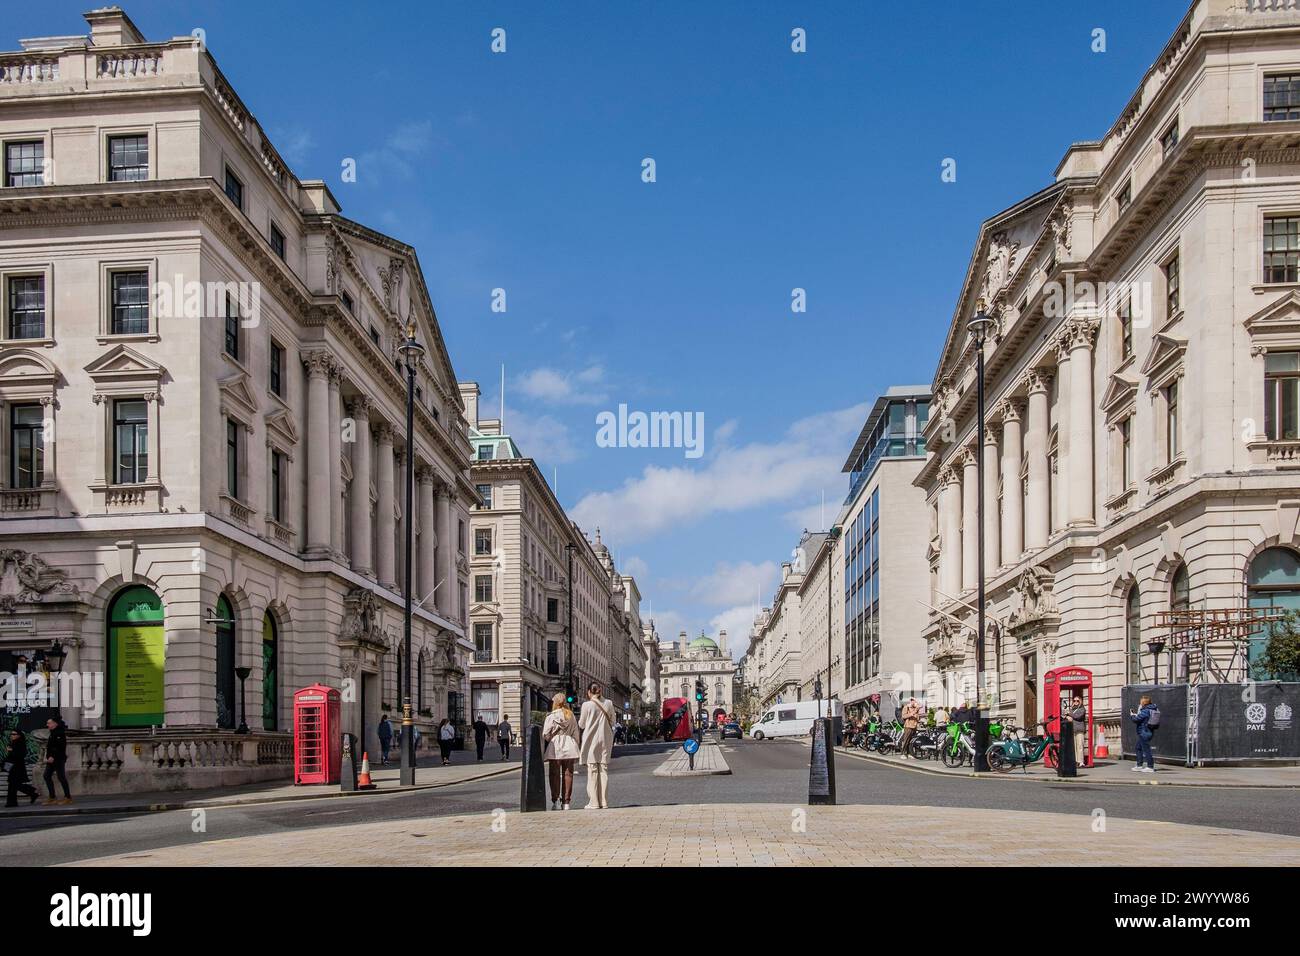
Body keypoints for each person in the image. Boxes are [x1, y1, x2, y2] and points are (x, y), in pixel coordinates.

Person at [578, 682, 615, 809]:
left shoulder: (586, 705)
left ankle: (594, 802)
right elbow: (613, 721)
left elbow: (581, 725)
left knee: (592, 770)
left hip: (591, 740)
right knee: (603, 769)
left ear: (589, 692)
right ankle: (604, 802)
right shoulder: (609, 703)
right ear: (600, 691)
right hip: (605, 738)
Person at [543, 693, 581, 810]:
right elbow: (576, 733)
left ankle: (555, 801)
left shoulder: (551, 716)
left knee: (554, 775)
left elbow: (545, 734)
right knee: (568, 774)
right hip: (569, 745)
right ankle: (566, 802)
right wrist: (576, 744)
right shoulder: (571, 716)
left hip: (556, 747)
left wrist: (551, 738)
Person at [4, 729, 39, 808]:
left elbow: (20, 755)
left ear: (18, 735)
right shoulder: (13, 743)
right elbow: (10, 757)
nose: (12, 735)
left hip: (17, 767)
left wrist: (11, 750)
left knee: (14, 785)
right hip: (13, 767)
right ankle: (32, 793)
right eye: (11, 734)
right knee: (14, 785)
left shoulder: (20, 743)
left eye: (14, 734)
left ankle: (12, 802)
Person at [43, 716, 71, 806]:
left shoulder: (59, 733)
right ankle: (52, 797)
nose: (47, 725)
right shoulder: (53, 733)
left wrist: (52, 756)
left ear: (55, 723)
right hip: (51, 759)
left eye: (49, 723)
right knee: (46, 775)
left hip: (58, 759)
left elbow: (59, 747)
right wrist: (48, 756)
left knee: (61, 777)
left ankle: (68, 797)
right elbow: (50, 747)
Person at [1130, 695, 1157, 773]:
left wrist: (1132, 715)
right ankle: (1139, 765)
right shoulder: (1152, 709)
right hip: (1148, 731)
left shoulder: (1146, 710)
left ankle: (1150, 766)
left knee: (1146, 749)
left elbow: (1136, 719)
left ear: (1143, 702)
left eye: (1141, 701)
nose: (1140, 702)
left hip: (1144, 732)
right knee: (1138, 747)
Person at [1068, 694, 1088, 768]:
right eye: (1074, 701)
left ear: (1080, 701)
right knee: (1074, 747)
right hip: (1073, 730)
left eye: (1077, 701)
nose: (1076, 702)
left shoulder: (1082, 709)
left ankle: (1081, 762)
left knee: (1080, 746)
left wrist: (1070, 714)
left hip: (1079, 730)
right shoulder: (1072, 709)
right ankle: (1076, 761)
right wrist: (1070, 711)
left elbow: (1078, 716)